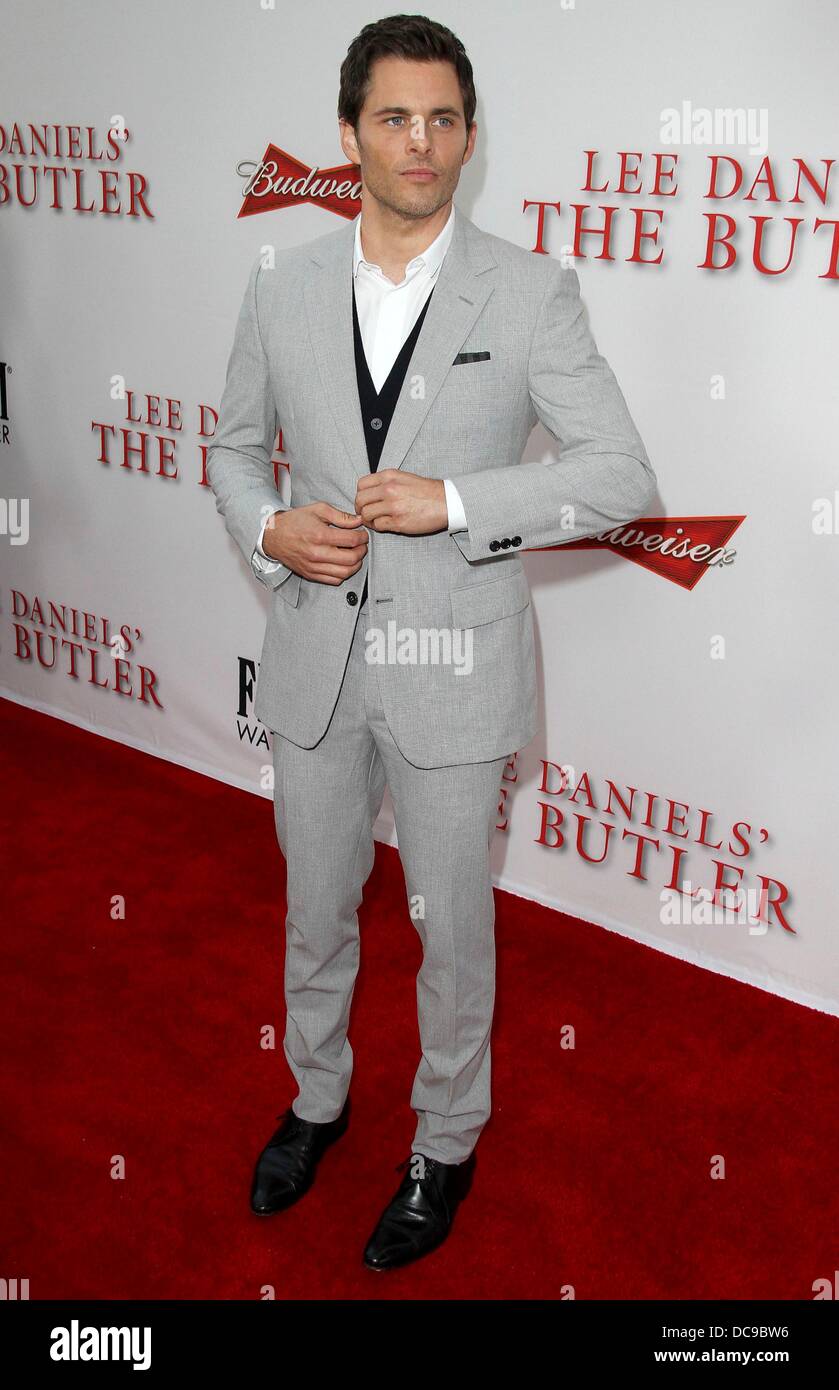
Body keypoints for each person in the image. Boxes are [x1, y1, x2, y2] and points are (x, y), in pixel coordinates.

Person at [206, 13, 656, 1272]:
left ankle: (443, 1141)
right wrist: (268, 532)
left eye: (443, 117)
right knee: (314, 910)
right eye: (395, 117)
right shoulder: (278, 283)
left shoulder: (527, 289)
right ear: (347, 133)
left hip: (457, 670)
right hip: (310, 658)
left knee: (450, 929)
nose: (420, 141)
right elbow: (233, 450)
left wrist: (458, 504)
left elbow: (619, 474)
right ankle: (315, 1098)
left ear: (469, 134)